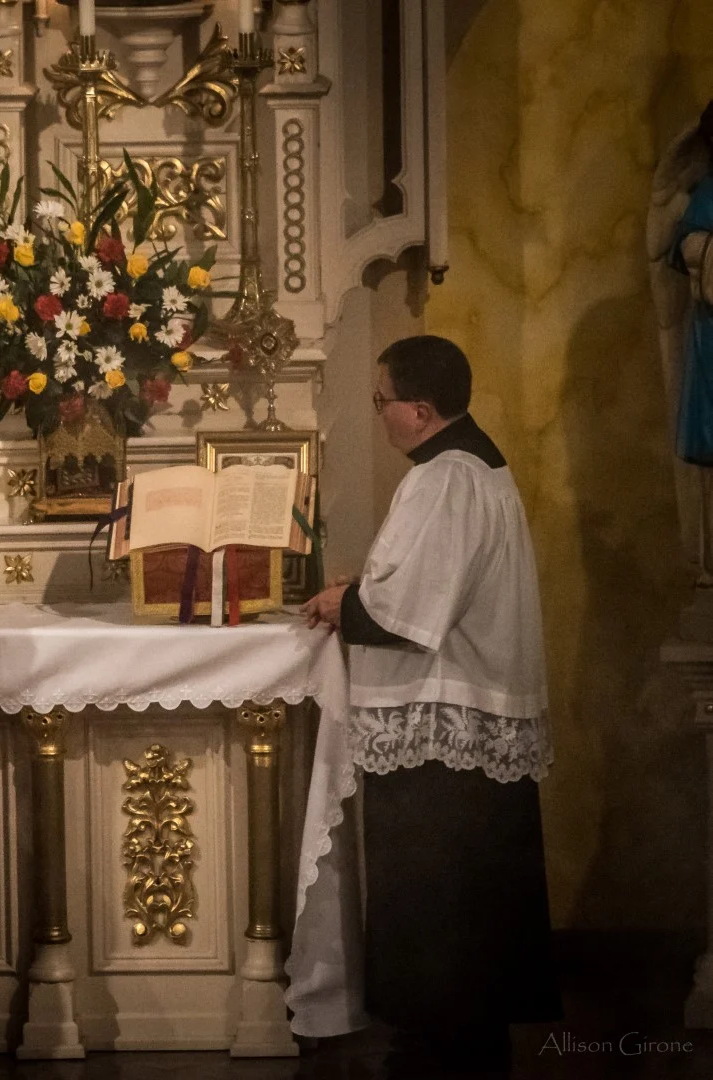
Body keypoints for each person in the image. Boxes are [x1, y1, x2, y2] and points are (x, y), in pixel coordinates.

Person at [301, 335, 559, 1073]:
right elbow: (428, 581)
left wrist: (343, 604)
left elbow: (409, 614)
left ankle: (437, 1052)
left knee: (437, 908)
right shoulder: (475, 465)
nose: (379, 413)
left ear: (419, 409)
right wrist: (363, 590)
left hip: (443, 733)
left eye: (381, 400)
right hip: (465, 724)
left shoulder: (444, 478)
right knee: (470, 910)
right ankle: (463, 1045)